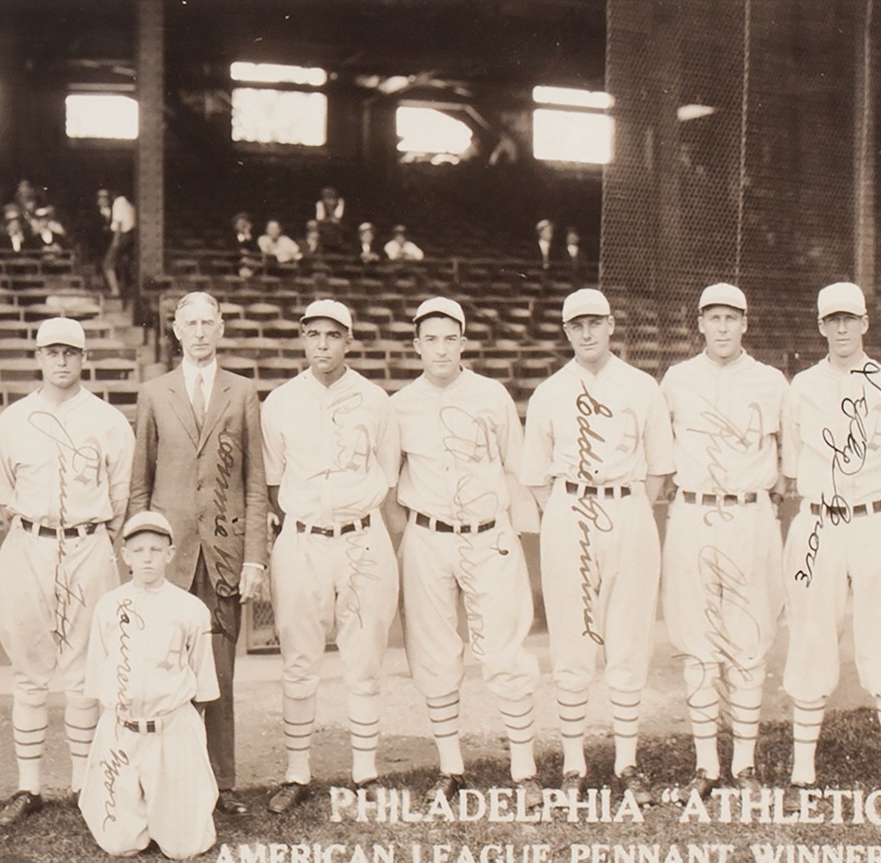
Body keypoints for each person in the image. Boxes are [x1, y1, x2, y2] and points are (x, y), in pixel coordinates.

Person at [520, 288, 674, 805]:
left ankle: (627, 761)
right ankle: (573, 762)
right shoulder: (549, 392)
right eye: (575, 326)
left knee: (629, 636)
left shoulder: (642, 386)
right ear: (567, 333)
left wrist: (625, 503)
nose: (586, 333)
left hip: (628, 506)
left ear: (611, 325)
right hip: (570, 508)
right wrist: (571, 508)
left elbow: (658, 468)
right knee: (572, 637)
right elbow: (536, 476)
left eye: (594, 323)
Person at [393, 297, 542, 803]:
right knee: (433, 649)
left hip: (488, 532)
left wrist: (514, 535)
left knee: (504, 645)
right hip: (428, 535)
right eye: (429, 339)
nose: (439, 348)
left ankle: (523, 767)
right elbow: (389, 480)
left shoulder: (491, 394)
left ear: (463, 342)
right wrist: (414, 529)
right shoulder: (400, 404)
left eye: (448, 338)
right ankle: (450, 766)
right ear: (416, 346)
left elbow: (517, 467)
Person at [129, 291, 268, 817]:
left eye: (210, 322)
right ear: (176, 330)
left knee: (219, 676)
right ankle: (163, 780)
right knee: (162, 672)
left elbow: (255, 485)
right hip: (169, 557)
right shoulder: (154, 393)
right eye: (191, 323)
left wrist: (255, 558)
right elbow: (139, 483)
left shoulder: (244, 392)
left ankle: (222, 784)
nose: (201, 332)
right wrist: (140, 553)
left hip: (224, 557)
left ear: (223, 328)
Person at [0, 318, 134, 826]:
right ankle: (28, 786)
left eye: (70, 352)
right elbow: (5, 496)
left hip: (87, 542)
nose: (61, 361)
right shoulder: (13, 419)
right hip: (28, 542)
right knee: (29, 670)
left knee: (83, 671)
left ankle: (81, 784)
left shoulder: (108, 420)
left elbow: (119, 498)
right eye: (52, 352)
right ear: (38, 357)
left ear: (83, 358)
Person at [262, 299, 401, 813]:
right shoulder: (278, 401)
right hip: (302, 538)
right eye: (313, 334)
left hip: (362, 535)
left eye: (332, 335)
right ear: (303, 338)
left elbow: (387, 474)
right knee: (299, 659)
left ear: (349, 340)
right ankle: (297, 772)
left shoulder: (374, 399)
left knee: (363, 658)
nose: (322, 344)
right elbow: (275, 483)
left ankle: (365, 773)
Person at [779, 282, 881, 797]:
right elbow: (793, 463)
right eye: (831, 320)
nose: (841, 328)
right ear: (820, 327)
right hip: (820, 519)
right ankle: (802, 770)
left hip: (877, 516)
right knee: (812, 635)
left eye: (849, 319)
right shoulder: (801, 388)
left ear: (865, 323)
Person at [660, 282, 788, 801]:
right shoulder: (676, 379)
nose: (722, 328)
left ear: (745, 323)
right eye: (712, 318)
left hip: (749, 513)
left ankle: (746, 763)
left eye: (731, 318)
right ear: (700, 324)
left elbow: (786, 462)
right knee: (698, 643)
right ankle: (706, 764)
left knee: (749, 639)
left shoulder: (772, 381)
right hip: (692, 512)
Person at [79, 510, 219, 859]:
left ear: (170, 554)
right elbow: (99, 679)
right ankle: (134, 809)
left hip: (171, 730)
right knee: (119, 844)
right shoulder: (109, 606)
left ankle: (172, 809)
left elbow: (202, 684)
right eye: (138, 550)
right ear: (124, 555)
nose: (147, 559)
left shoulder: (190, 608)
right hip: (122, 730)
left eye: (156, 550)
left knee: (185, 847)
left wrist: (188, 743)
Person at [101, 190, 136, 300]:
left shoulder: (119, 202)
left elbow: (119, 223)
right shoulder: (128, 203)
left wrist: (116, 242)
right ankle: (122, 288)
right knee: (120, 263)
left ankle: (115, 291)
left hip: (122, 236)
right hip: (129, 236)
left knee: (107, 264)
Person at [231, 212, 259, 278]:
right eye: (240, 223)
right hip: (236, 262)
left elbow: (256, 250)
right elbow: (232, 249)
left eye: (244, 223)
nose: (242, 225)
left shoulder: (252, 237)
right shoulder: (232, 237)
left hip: (251, 262)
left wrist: (248, 238)